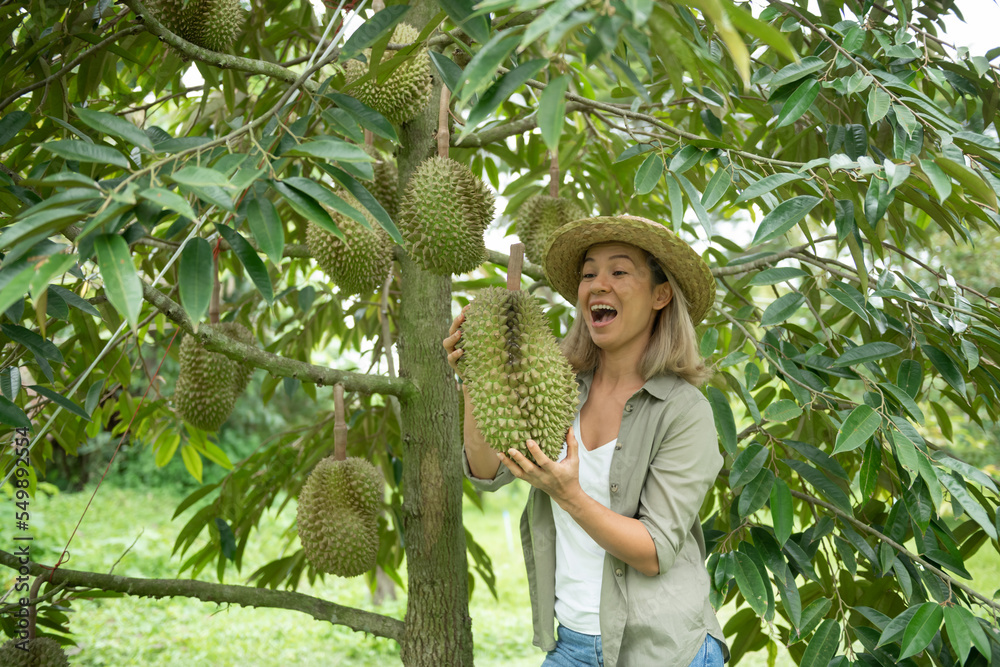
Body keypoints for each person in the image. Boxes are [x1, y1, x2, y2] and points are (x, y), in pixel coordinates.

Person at [444, 215, 728, 667]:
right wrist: (480, 376)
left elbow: (654, 551)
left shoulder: (683, 410)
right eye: (588, 273)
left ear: (660, 294)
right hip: (571, 643)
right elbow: (485, 472)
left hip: (661, 649)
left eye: (619, 271)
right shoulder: (561, 384)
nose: (598, 284)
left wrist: (568, 494)